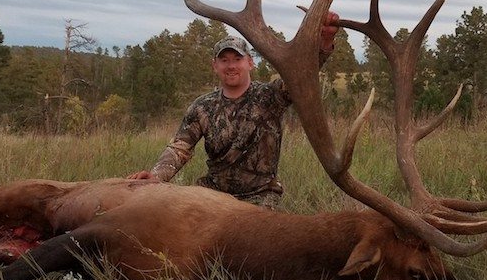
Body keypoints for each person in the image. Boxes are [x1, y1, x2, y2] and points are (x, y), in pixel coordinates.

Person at [127, 12, 339, 209]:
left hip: (260, 197)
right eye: (224, 60)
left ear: (250, 63)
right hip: (212, 194)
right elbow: (179, 149)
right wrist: (156, 177)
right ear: (215, 66)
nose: (231, 66)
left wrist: (325, 41)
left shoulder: (271, 97)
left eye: (237, 59)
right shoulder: (202, 107)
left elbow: (302, 74)